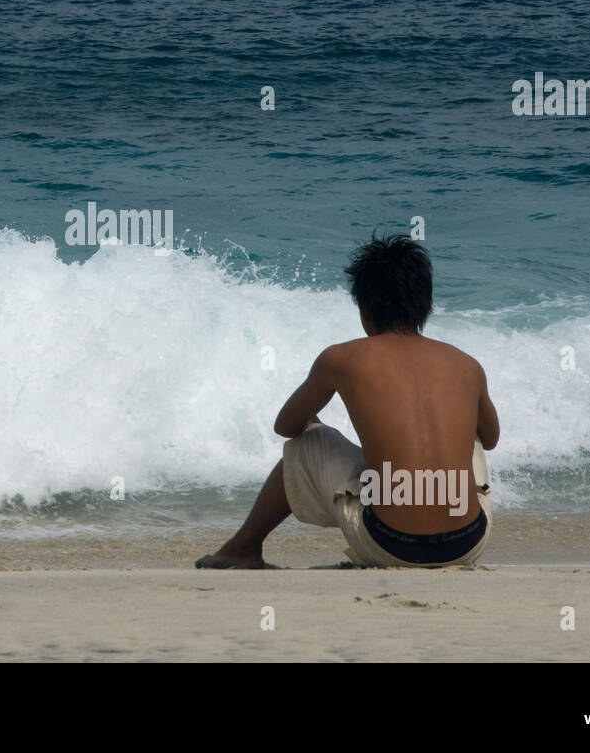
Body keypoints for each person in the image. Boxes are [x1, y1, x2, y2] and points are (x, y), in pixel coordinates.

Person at [197, 234, 499, 569]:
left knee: (308, 440)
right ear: (428, 305)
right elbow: (492, 438)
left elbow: (285, 427)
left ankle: (243, 548)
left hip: (389, 545)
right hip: (467, 543)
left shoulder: (341, 359)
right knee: (469, 433)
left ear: (365, 311)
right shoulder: (466, 365)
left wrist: (316, 424)